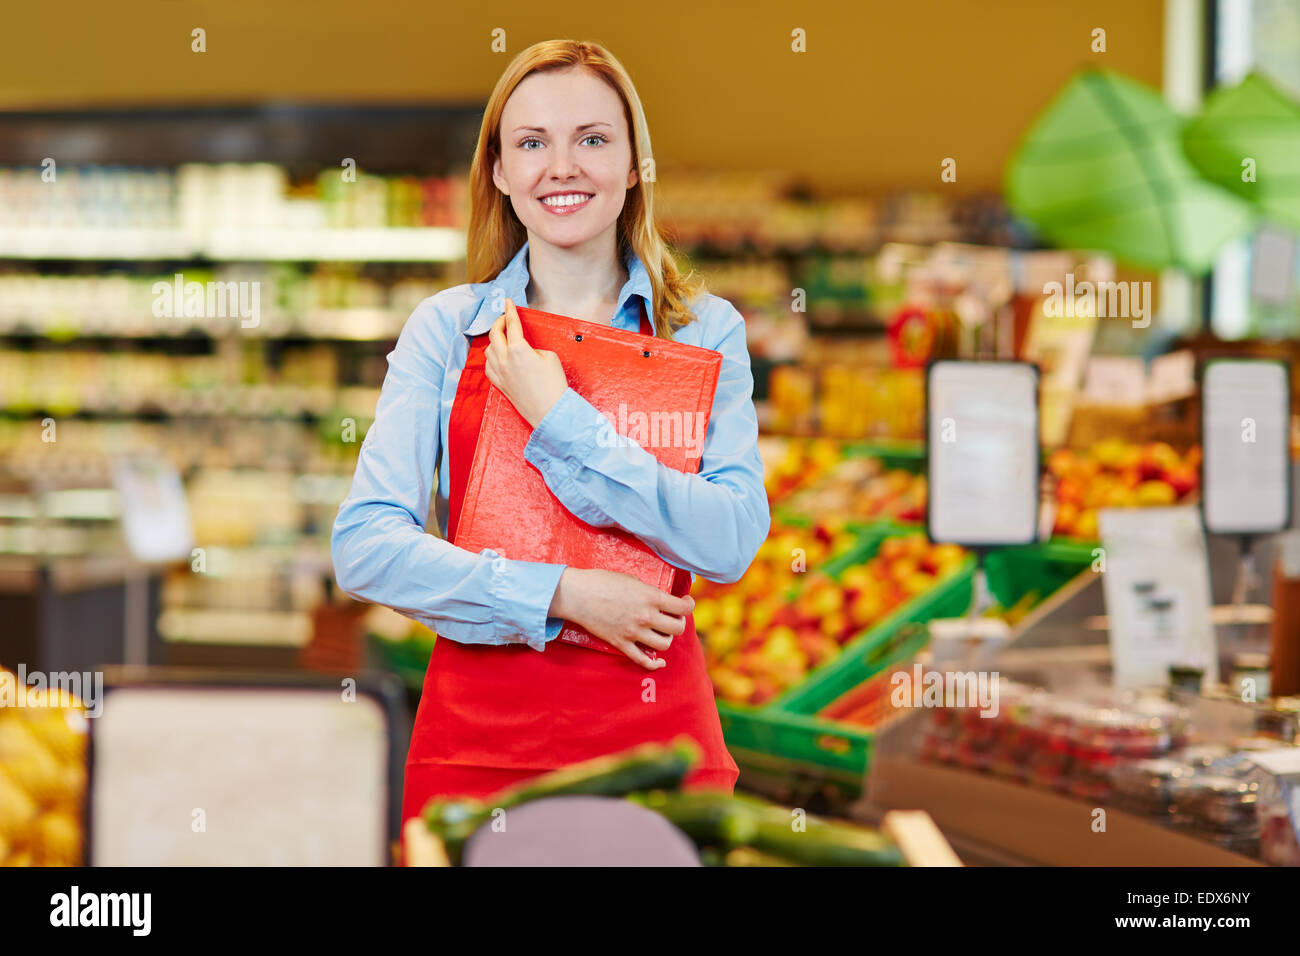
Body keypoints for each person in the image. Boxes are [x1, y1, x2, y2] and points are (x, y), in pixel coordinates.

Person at [330, 39, 770, 838]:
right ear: (498, 170)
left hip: (660, 749)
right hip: (479, 751)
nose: (560, 167)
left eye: (592, 140)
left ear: (636, 164)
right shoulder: (446, 330)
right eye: (531, 143)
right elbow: (364, 545)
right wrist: (563, 595)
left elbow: (732, 539)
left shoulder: (705, 331)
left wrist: (561, 419)